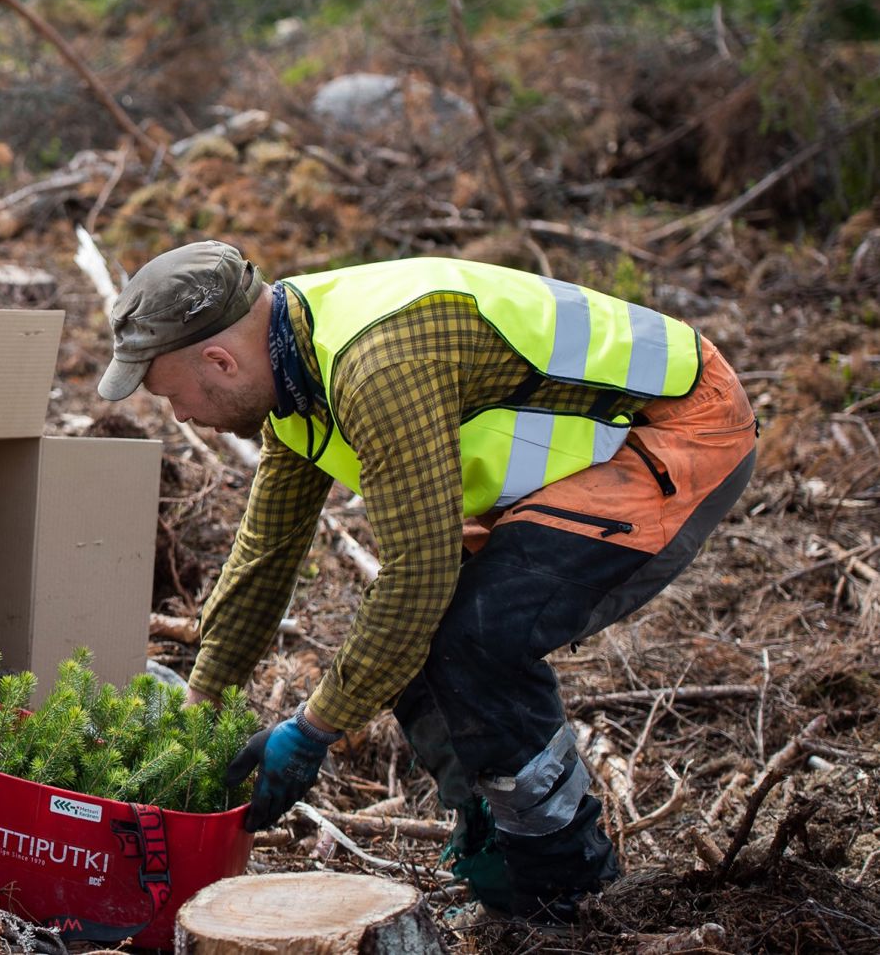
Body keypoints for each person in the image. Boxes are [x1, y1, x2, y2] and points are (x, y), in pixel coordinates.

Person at [97, 241, 757, 926]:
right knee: (413, 652)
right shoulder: (291, 371)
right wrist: (202, 701)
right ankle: (496, 842)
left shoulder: (377, 366)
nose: (180, 416)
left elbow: (418, 578)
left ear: (220, 361)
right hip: (571, 454)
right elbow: (267, 552)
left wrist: (313, 729)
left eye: (173, 396)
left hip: (675, 424)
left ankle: (571, 887)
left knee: (477, 636)